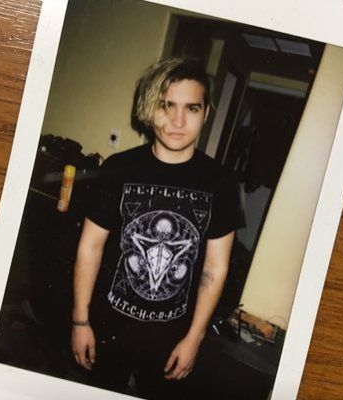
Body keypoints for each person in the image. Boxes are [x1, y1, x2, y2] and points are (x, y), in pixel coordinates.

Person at [71, 57, 243, 399]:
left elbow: (215, 269)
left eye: (191, 108)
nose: (178, 121)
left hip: (173, 338)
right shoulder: (118, 168)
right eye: (167, 106)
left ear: (206, 113)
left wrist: (195, 338)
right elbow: (90, 247)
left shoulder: (222, 183)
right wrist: (80, 321)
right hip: (109, 326)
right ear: (150, 109)